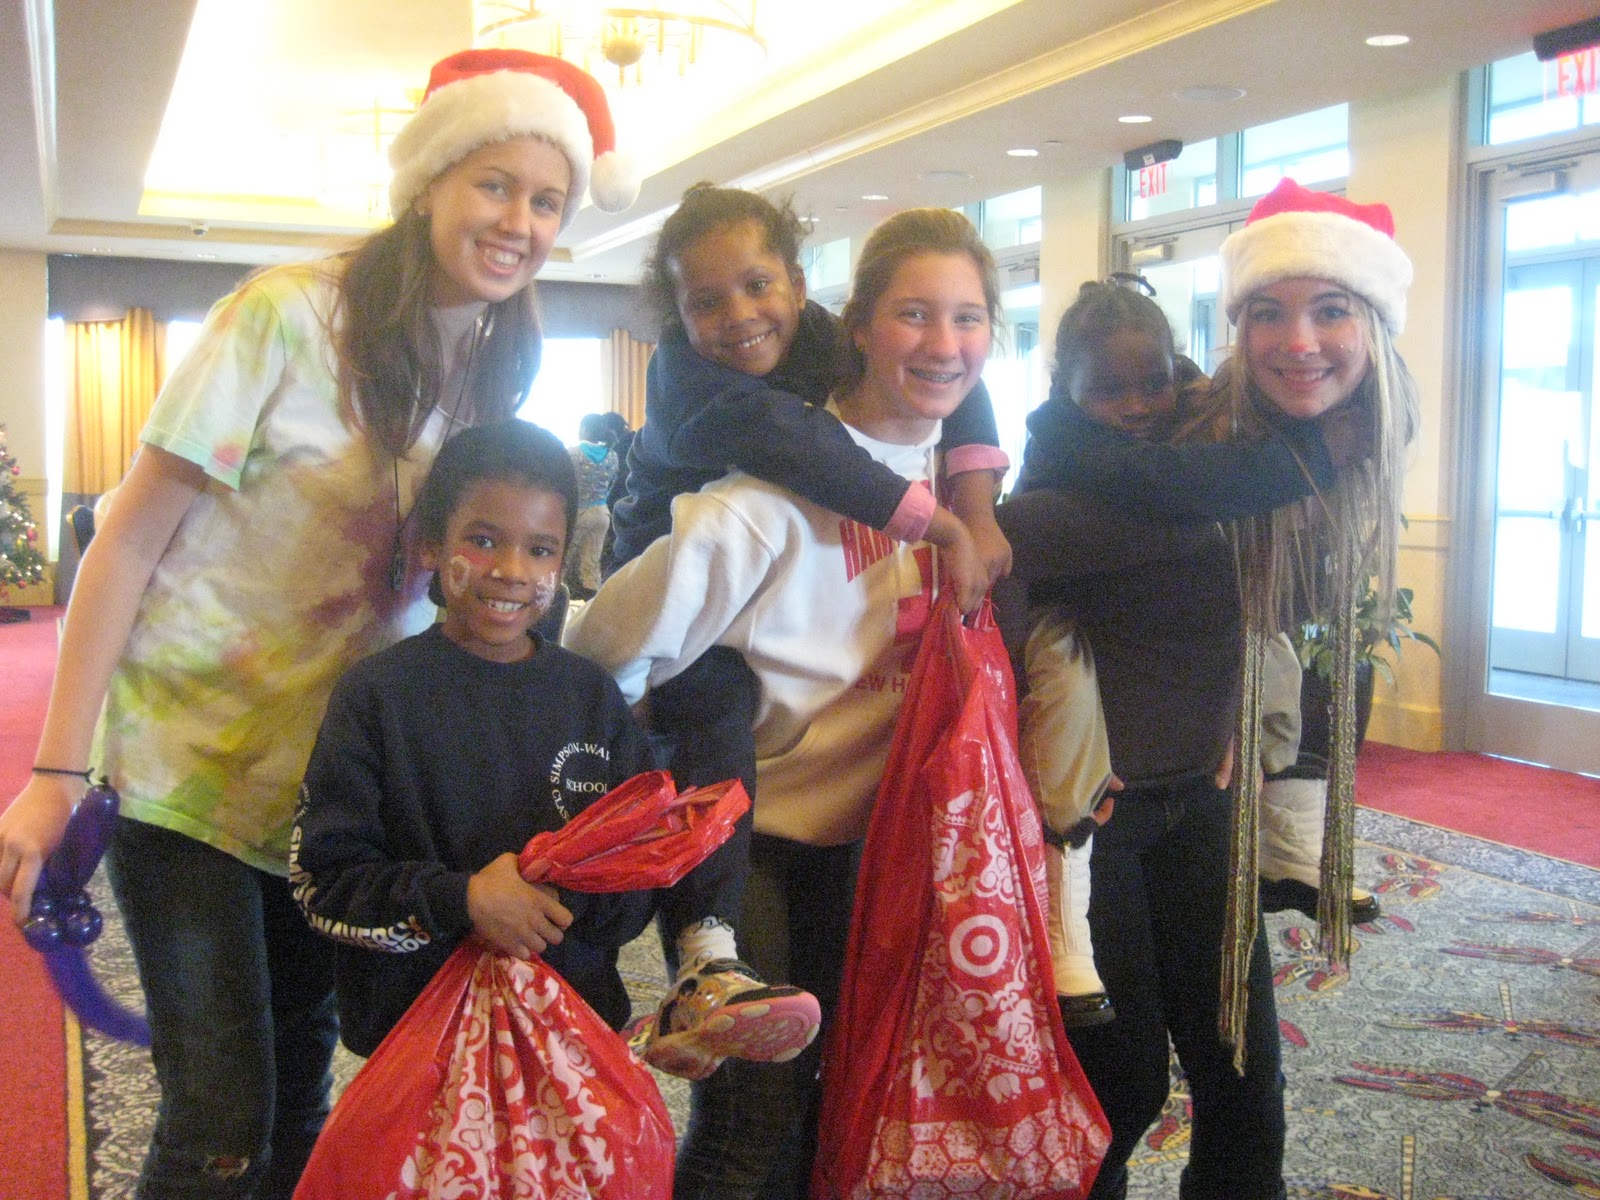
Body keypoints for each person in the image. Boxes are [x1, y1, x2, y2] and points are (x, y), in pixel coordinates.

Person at [0, 47, 639, 1200]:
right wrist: (55, 767)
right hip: (189, 775)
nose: (520, 222)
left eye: (547, 201)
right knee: (219, 1124)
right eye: (495, 184)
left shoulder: (495, 364)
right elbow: (127, 539)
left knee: (304, 1090)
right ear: (431, 181)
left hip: (333, 795)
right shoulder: (285, 316)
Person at [568, 207, 1001, 1200]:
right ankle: (697, 961)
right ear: (856, 324)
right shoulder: (759, 498)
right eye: (913, 316)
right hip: (757, 839)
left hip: (876, 843)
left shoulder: (961, 489)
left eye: (966, 319)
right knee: (753, 1123)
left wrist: (971, 506)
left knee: (838, 1097)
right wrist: (640, 761)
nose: (942, 345)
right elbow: (602, 652)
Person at [999, 181, 1416, 1200]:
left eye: (1330, 311)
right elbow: (1028, 540)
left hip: (1203, 799)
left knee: (1243, 1075)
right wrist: (1276, 479)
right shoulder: (1155, 464)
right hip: (1093, 821)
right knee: (1120, 1078)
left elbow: (1287, 610)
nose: (1299, 339)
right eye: (1270, 312)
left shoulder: (1242, 450)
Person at [289, 421, 645, 1053]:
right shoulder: (378, 696)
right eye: (483, 541)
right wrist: (463, 900)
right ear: (432, 544)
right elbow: (326, 887)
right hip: (418, 1050)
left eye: (540, 550)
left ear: (564, 559)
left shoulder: (591, 698)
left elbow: (637, 876)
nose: (511, 571)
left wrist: (552, 907)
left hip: (573, 1044)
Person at [564, 412, 620, 600]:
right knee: (591, 566)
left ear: (584, 429)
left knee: (565, 564)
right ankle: (590, 606)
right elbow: (612, 482)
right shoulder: (612, 455)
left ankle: (561, 608)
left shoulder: (572, 453)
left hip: (578, 513)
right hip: (602, 514)